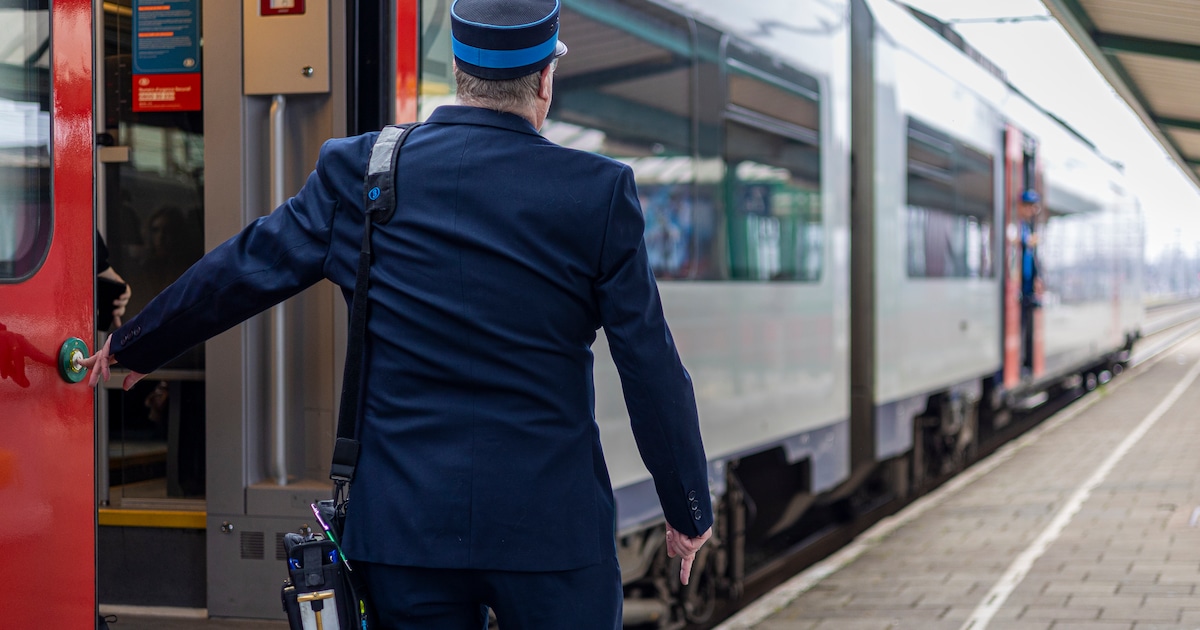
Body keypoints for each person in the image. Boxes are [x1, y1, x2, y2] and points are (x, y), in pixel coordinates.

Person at [83, 0, 713, 627]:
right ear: (546, 80)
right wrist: (686, 512)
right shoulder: (598, 192)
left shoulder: (361, 170)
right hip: (550, 531)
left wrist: (139, 344)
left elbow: (247, 267)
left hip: (404, 528)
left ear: (459, 73)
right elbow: (649, 363)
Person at [1018, 189, 1042, 374]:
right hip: (1019, 288)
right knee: (1019, 329)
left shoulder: (1027, 226)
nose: (1032, 211)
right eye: (1030, 206)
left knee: (1027, 328)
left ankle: (1026, 363)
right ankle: (1019, 364)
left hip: (1027, 288)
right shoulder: (1019, 227)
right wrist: (1028, 243)